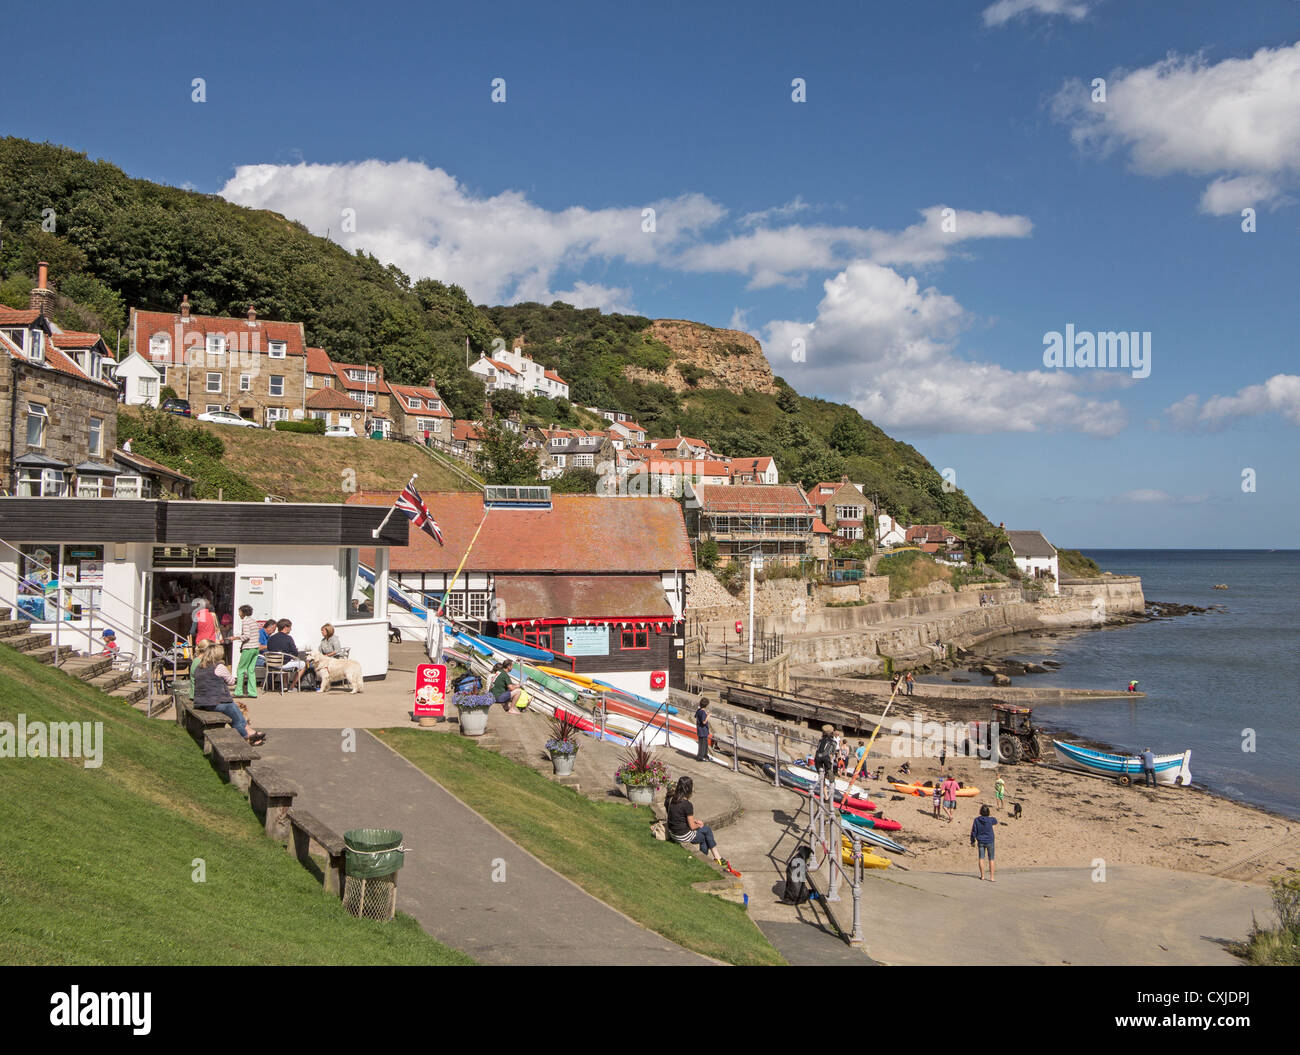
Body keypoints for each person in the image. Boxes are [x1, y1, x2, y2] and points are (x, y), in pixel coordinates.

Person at [194, 642, 265, 745]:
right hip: (215, 702)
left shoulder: (199, 667)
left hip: (201, 702)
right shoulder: (219, 667)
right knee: (234, 713)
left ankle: (250, 731)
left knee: (233, 708)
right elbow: (231, 681)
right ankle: (247, 736)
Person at [665, 776, 737, 875]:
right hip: (683, 836)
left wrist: (695, 821)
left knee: (704, 835)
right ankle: (716, 858)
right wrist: (699, 824)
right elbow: (692, 827)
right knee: (706, 831)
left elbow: (680, 817)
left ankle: (713, 859)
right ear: (689, 789)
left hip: (673, 833)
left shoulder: (672, 800)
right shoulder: (687, 805)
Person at [266, 618, 306, 691]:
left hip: (272, 665)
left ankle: (284, 686)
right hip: (282, 664)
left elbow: (269, 649)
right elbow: (295, 653)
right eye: (290, 627)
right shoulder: (288, 638)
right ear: (286, 627)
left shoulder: (271, 638)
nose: (291, 629)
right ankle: (292, 687)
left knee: (285, 660)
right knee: (302, 664)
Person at [234, 605, 263, 698]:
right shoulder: (253, 621)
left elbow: (247, 635)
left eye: (239, 612)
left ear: (243, 612)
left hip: (248, 648)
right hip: (255, 648)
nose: (239, 614)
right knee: (251, 670)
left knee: (241, 669)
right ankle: (252, 692)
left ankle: (239, 691)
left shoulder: (245, 622)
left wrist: (235, 638)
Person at [189, 598, 221, 677]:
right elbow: (217, 627)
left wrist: (196, 633)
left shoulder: (198, 616)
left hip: (201, 643)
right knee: (211, 660)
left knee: (200, 660)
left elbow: (192, 631)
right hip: (212, 642)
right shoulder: (213, 615)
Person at [970, 804, 998, 881]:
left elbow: (973, 831)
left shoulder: (976, 820)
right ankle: (992, 877)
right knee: (991, 859)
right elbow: (996, 821)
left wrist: (972, 841)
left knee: (981, 858)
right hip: (990, 840)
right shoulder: (990, 820)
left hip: (981, 841)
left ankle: (982, 876)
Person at [694, 697, 711, 762]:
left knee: (703, 743)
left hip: (700, 730)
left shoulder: (699, 710)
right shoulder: (703, 712)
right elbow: (704, 722)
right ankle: (701, 756)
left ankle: (704, 755)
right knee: (703, 744)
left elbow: (696, 716)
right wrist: (708, 716)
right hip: (703, 730)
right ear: (706, 705)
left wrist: (705, 714)